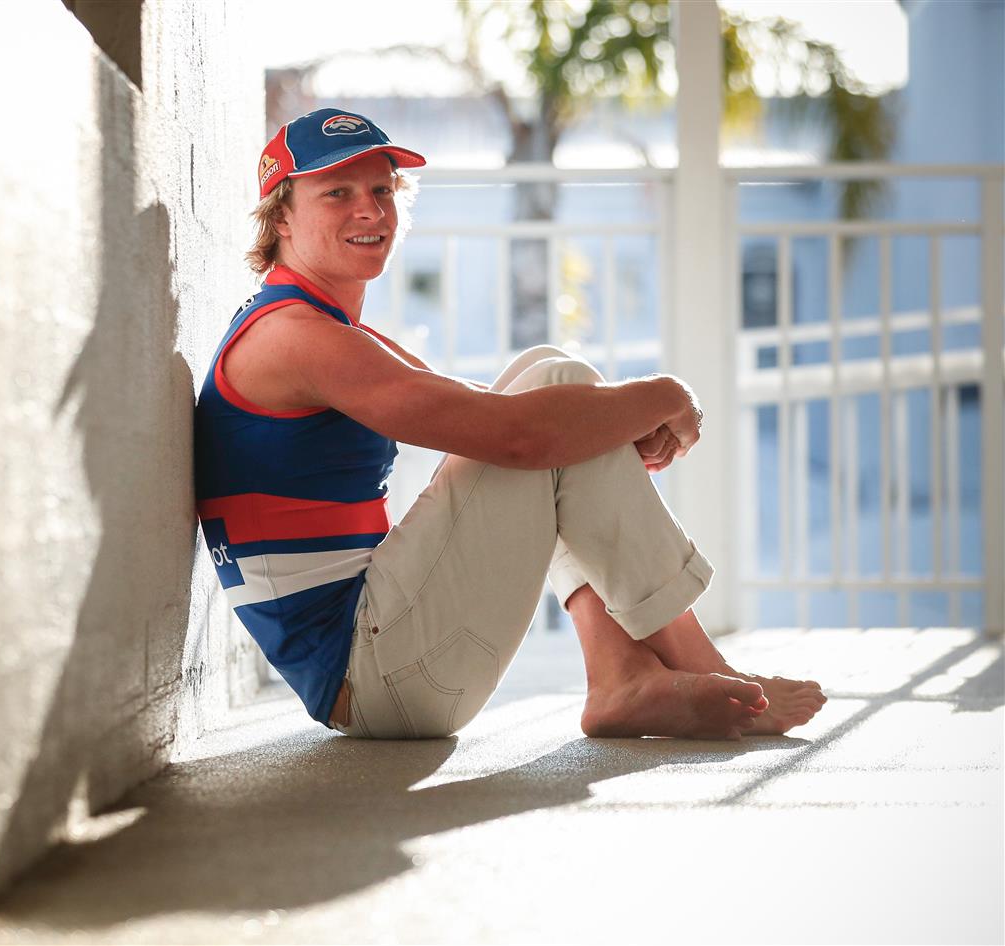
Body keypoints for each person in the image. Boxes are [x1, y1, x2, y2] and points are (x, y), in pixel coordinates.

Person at [194, 107, 826, 740]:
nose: (371, 210)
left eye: (382, 190)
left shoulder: (317, 328)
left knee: (548, 375)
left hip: (376, 658)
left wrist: (614, 417)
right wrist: (664, 394)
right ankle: (702, 666)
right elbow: (517, 435)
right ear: (281, 216)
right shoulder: (296, 338)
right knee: (554, 397)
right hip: (373, 674)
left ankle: (621, 675)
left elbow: (508, 416)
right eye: (337, 192)